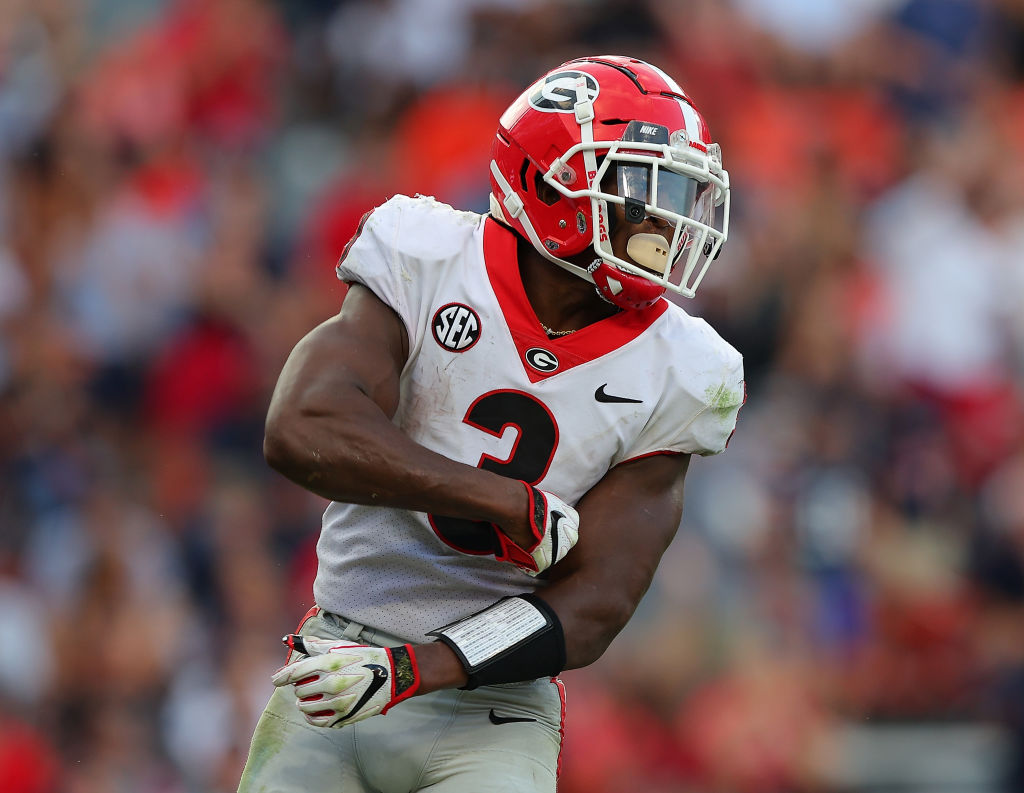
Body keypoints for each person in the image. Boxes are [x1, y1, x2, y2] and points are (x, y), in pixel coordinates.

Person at [237, 55, 744, 793]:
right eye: (641, 188)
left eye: (678, 192)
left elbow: (594, 605)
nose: (668, 219)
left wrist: (418, 667)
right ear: (550, 184)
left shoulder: (682, 367)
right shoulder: (429, 256)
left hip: (493, 705)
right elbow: (301, 426)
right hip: (339, 659)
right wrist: (497, 498)